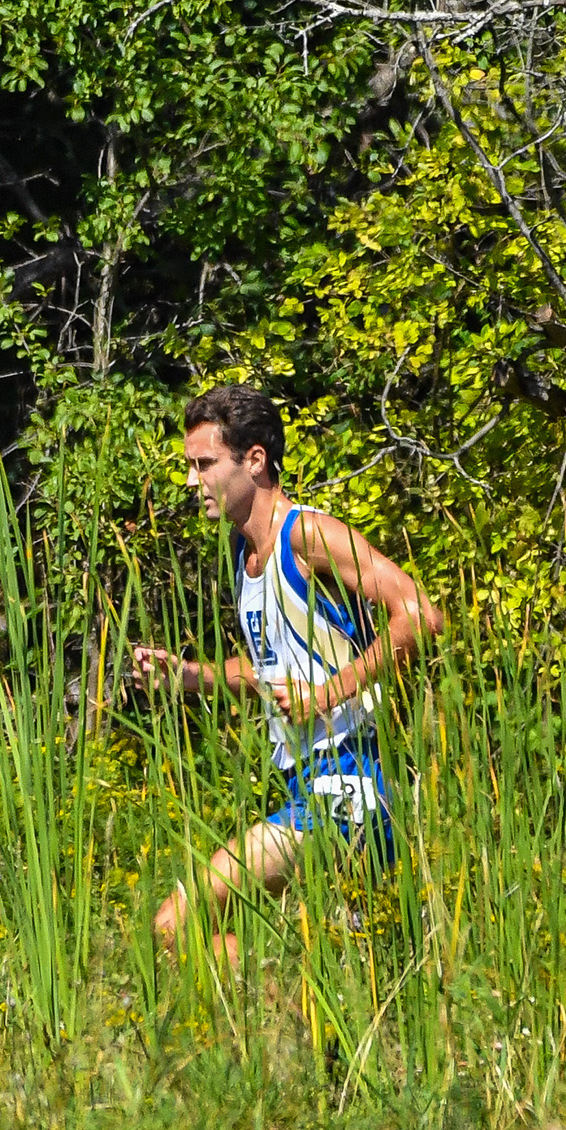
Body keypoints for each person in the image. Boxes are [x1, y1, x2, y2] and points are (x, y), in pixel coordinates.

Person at [131, 385, 444, 965]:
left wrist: (328, 694)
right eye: (189, 466)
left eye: (204, 464)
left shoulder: (308, 535)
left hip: (354, 785)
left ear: (254, 460)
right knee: (341, 967)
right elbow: (270, 671)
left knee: (176, 922)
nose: (192, 480)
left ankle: (283, 1006)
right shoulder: (242, 552)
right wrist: (187, 675)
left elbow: (420, 616)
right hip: (307, 786)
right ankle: (295, 1016)